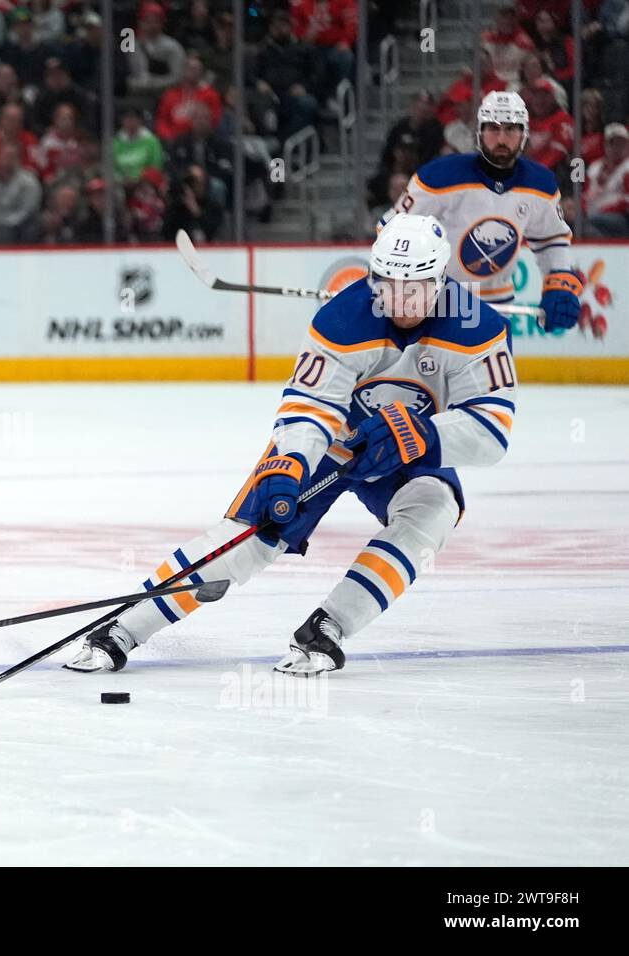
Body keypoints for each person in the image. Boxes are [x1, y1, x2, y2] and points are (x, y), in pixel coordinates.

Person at [68, 215, 516, 677]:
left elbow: (492, 431)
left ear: (439, 280)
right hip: (335, 441)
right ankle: (122, 627)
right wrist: (289, 465)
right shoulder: (342, 319)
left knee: (434, 508)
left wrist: (422, 434)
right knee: (256, 534)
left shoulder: (477, 328)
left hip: (413, 451)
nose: (399, 298)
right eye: (388, 284)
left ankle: (330, 626)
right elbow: (310, 406)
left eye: (414, 287)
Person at [379, 91, 581, 330]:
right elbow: (389, 230)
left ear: (524, 134)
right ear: (480, 132)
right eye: (493, 129)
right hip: (437, 306)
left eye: (511, 129)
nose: (502, 138)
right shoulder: (439, 176)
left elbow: (551, 238)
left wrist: (558, 280)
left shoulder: (540, 184)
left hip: (495, 309)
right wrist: (406, 283)